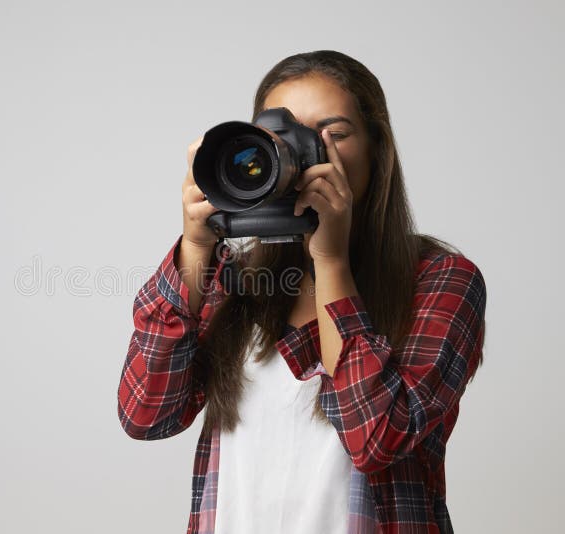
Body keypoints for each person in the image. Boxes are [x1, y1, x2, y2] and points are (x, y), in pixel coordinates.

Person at [117, 50, 487, 534]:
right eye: (281, 139)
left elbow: (374, 436)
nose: (312, 152)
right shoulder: (233, 281)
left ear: (377, 149)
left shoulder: (440, 280)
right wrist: (195, 245)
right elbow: (146, 413)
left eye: (333, 133)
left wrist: (330, 261)